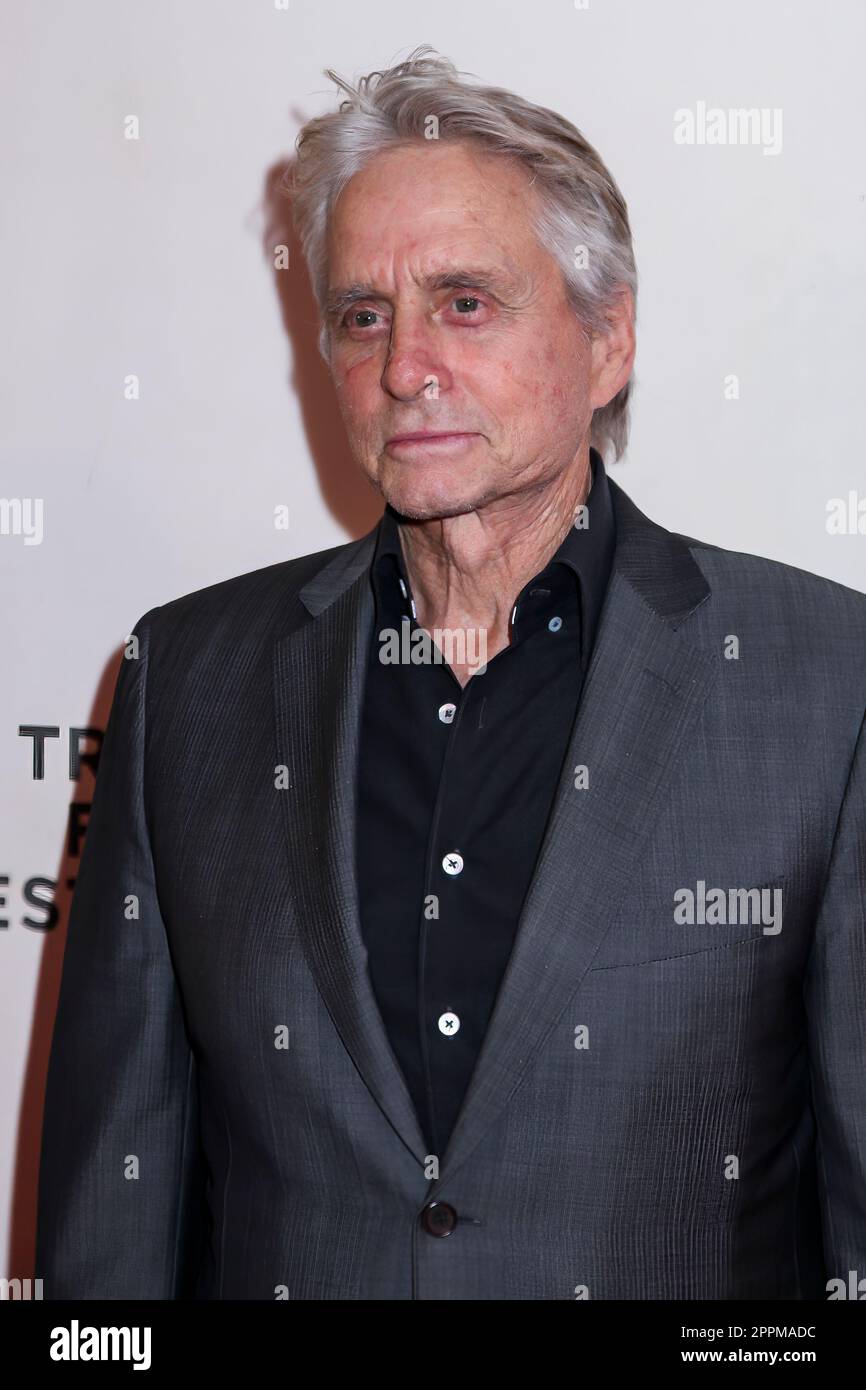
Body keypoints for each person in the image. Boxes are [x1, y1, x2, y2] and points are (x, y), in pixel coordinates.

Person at [36, 47, 866, 1300]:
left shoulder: (822, 682)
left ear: (606, 340)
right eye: (363, 314)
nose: (404, 363)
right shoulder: (188, 683)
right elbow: (112, 1222)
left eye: (465, 302)